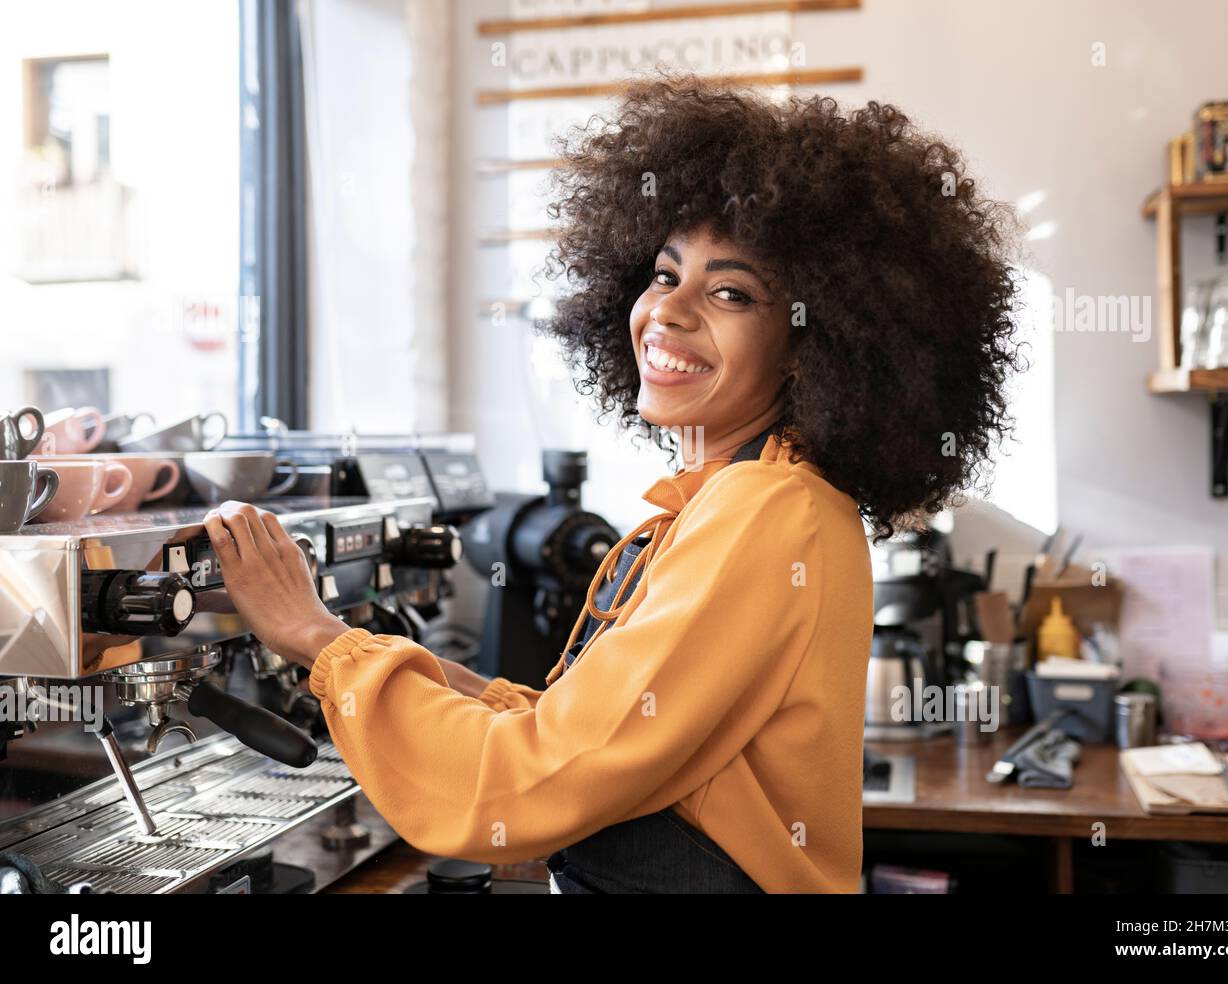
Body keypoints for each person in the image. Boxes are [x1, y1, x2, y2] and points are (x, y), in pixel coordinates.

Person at [203, 76, 1021, 893]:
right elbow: (588, 732)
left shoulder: (770, 511)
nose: (669, 312)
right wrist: (407, 664)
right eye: (665, 276)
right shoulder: (749, 494)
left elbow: (533, 781)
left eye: (731, 292)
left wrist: (314, 637)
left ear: (816, 345)